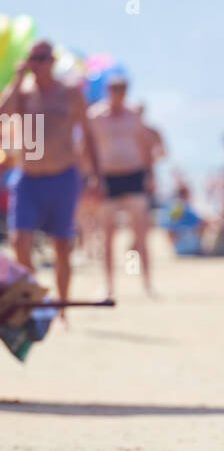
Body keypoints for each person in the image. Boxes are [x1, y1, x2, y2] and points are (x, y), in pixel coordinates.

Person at [0, 39, 102, 315]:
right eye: (33, 58)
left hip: (62, 177)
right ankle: (33, 302)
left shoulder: (69, 93)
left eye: (43, 58)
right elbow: (3, 113)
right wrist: (17, 78)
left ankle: (62, 308)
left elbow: (88, 134)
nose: (38, 63)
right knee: (20, 242)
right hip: (28, 178)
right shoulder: (23, 92)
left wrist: (95, 176)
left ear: (52, 62)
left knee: (61, 245)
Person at [88, 77, 155, 297]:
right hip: (108, 177)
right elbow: (89, 147)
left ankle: (144, 282)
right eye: (114, 89)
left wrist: (149, 174)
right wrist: (92, 177)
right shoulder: (96, 115)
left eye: (122, 89)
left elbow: (145, 144)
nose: (118, 93)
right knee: (107, 234)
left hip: (133, 175)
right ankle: (108, 285)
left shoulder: (133, 113)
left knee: (139, 233)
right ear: (108, 90)